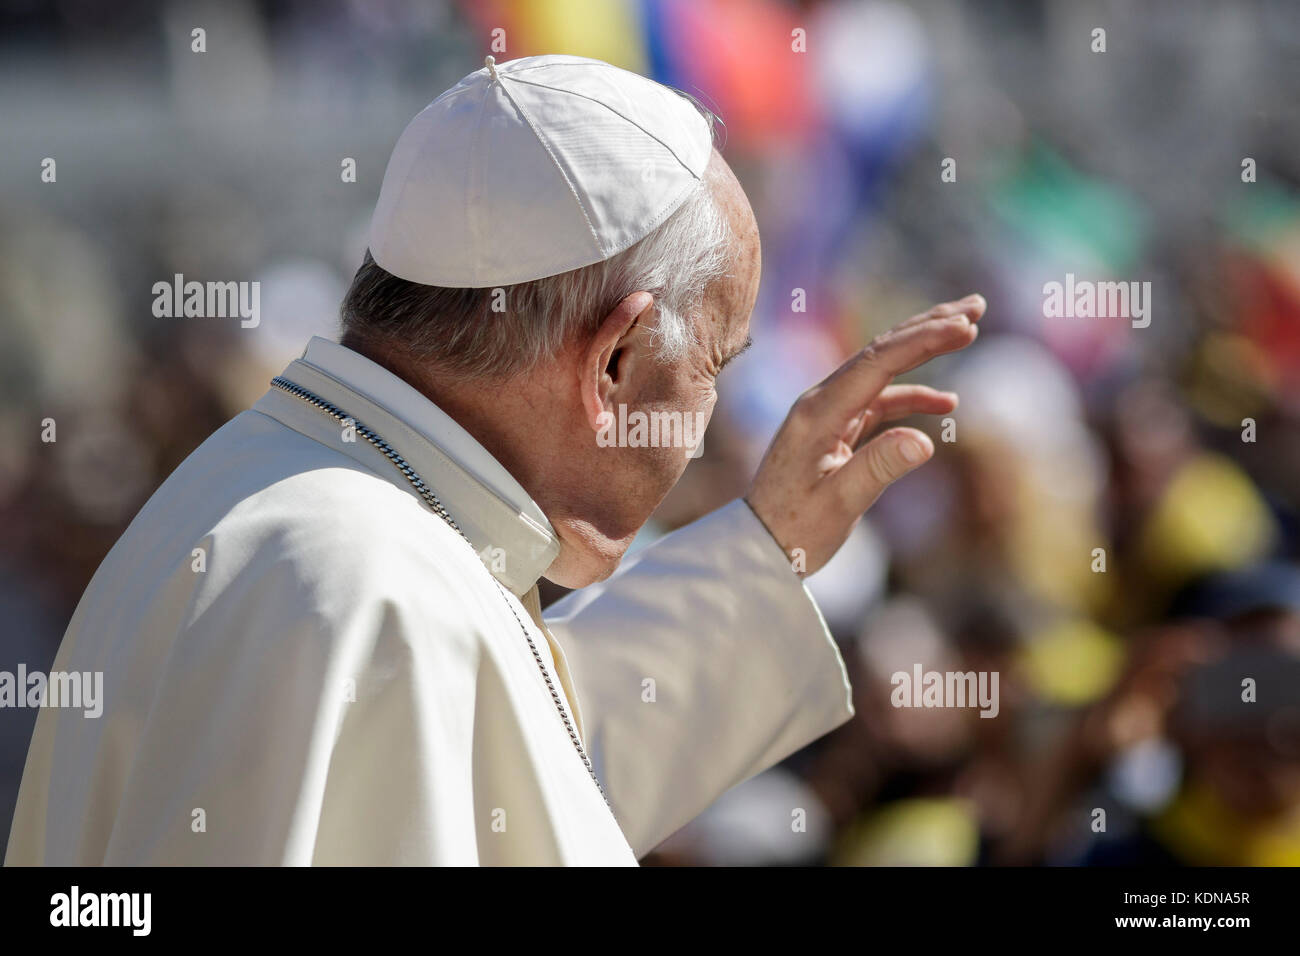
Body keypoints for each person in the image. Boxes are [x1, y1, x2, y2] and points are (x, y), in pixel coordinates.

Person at [6, 54, 983, 865]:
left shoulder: (288, 496)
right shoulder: (375, 588)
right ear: (614, 360)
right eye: (714, 367)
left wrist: (766, 546)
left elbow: (522, 779)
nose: (703, 428)